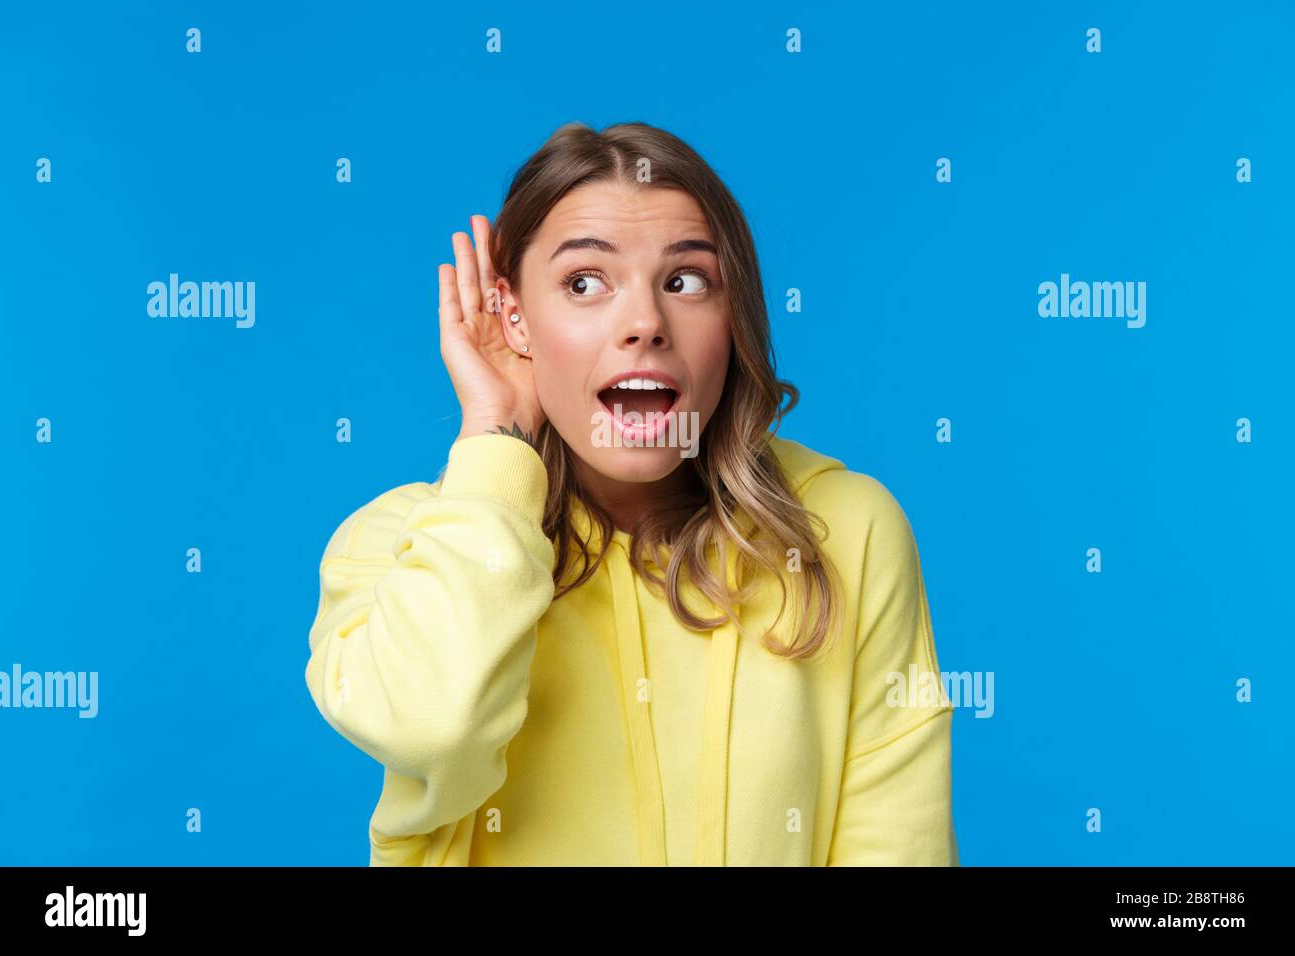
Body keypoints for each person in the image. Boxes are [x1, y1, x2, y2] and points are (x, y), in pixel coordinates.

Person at [304, 121, 958, 866]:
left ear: (731, 317)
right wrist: (495, 437)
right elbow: (431, 725)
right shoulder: (395, 545)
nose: (645, 323)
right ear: (513, 317)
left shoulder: (846, 530)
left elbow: (898, 846)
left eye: (685, 282)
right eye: (585, 283)